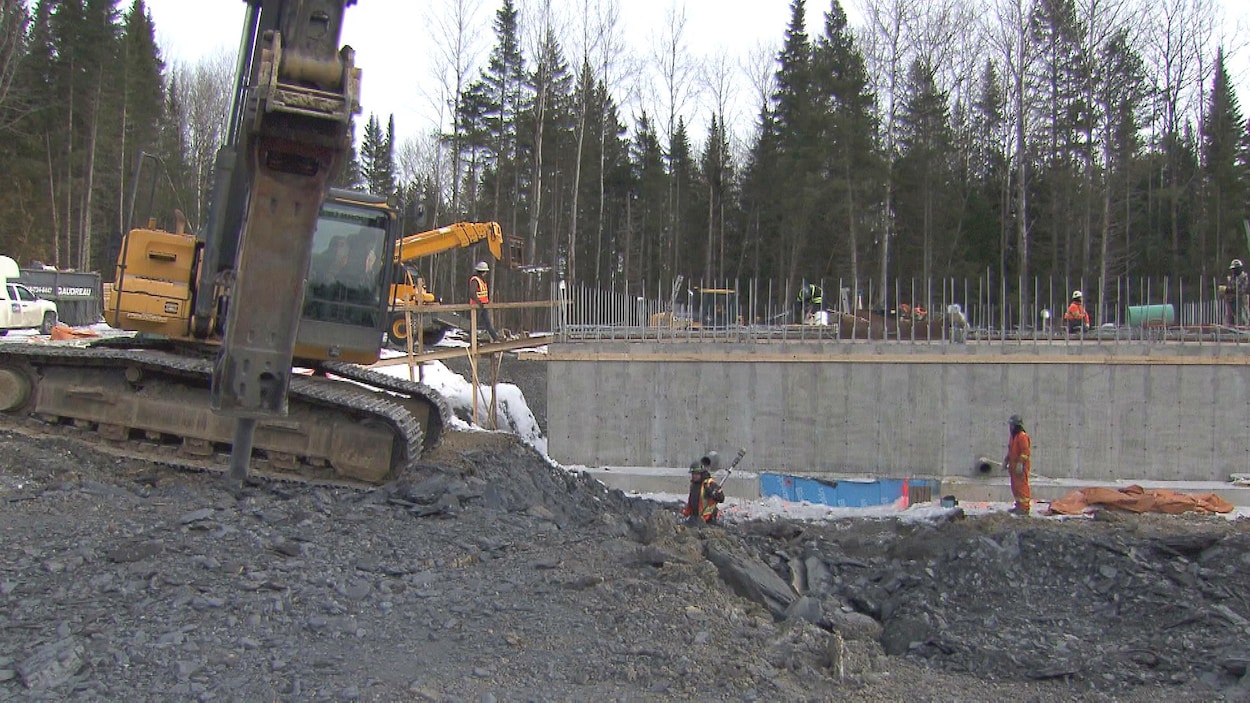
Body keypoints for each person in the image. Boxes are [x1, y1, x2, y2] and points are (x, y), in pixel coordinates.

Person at [1003, 414, 1032, 516]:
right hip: (1013, 466)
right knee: (1015, 487)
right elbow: (1010, 450)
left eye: (1012, 425)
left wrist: (1020, 463)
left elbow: (1025, 452)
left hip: (1020, 466)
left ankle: (1024, 508)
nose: (1010, 427)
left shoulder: (1022, 436)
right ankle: (1019, 505)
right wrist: (1006, 460)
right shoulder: (1013, 437)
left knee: (1021, 486)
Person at [469, 260, 501, 342]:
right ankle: (473, 343)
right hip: (476, 306)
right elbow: (472, 293)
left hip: (483, 305)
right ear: (482, 272)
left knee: (487, 324)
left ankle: (496, 338)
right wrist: (479, 302)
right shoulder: (475, 280)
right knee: (473, 325)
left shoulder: (481, 280)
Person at [1219, 259, 1249, 326]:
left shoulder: (1244, 277)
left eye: (1234, 269)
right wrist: (1225, 291)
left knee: (1241, 318)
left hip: (1241, 302)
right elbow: (1230, 287)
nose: (1233, 271)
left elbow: (1241, 290)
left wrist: (1227, 290)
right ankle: (1231, 331)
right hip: (1231, 301)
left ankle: (1242, 331)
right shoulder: (1232, 277)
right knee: (1230, 319)